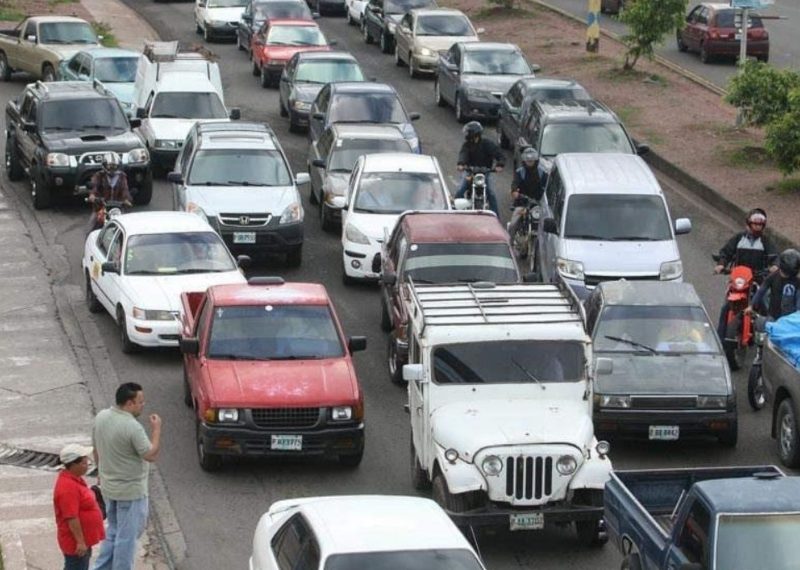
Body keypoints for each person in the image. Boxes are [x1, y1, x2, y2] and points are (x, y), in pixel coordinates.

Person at [92, 383, 162, 570]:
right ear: (129, 403)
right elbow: (150, 454)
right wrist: (156, 430)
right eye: (140, 402)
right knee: (127, 539)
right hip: (131, 492)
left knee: (113, 532)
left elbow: (96, 449)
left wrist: (100, 472)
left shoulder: (101, 417)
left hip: (109, 488)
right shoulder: (132, 427)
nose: (143, 405)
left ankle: (102, 567)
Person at [714, 208, 778, 338]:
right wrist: (721, 264)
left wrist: (775, 266)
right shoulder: (739, 238)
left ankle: (770, 335)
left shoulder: (766, 241)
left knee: (765, 304)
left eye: (760, 225)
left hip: (758, 280)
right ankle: (719, 339)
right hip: (739, 280)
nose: (757, 227)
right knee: (726, 307)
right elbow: (726, 252)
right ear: (748, 223)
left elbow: (775, 256)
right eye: (755, 224)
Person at [53, 444, 105, 570]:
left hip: (85, 539)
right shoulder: (67, 488)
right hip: (75, 543)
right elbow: (71, 517)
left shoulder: (75, 479)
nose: (87, 465)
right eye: (84, 463)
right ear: (73, 465)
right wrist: (80, 542)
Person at [454, 121, 504, 215]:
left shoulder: (487, 143)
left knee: (491, 193)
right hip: (470, 172)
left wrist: (500, 164)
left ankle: (496, 217)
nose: (466, 135)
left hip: (485, 172)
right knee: (460, 190)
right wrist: (461, 164)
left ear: (474, 133)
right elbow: (463, 154)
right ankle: (455, 212)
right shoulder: (467, 145)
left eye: (468, 132)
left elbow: (499, 154)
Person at [746, 248, 800, 321]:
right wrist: (752, 306)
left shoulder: (797, 281)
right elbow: (761, 290)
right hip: (773, 316)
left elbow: (798, 300)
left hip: (789, 319)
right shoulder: (773, 276)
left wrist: (797, 316)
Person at [87, 153, 132, 232]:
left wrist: (126, 199)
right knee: (91, 226)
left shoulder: (122, 176)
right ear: (104, 165)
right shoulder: (99, 175)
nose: (112, 168)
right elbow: (94, 186)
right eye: (110, 166)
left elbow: (125, 189)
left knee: (127, 226)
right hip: (101, 207)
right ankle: (89, 237)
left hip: (117, 208)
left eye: (114, 166)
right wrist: (92, 196)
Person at [508, 146, 544, 241]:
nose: (530, 163)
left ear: (536, 161)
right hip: (523, 203)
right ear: (524, 161)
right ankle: (509, 243)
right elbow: (515, 183)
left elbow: (547, 186)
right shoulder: (520, 172)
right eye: (528, 161)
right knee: (513, 224)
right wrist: (514, 191)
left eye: (532, 161)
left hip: (538, 205)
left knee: (547, 225)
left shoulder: (542, 173)